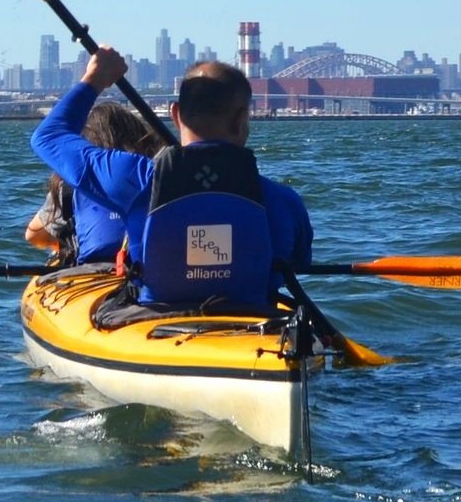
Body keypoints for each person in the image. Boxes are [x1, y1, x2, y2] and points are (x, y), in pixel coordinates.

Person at [30, 48, 311, 313]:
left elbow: (48, 138)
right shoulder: (284, 201)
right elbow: (297, 264)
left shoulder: (137, 180)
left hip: (157, 320)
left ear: (176, 116)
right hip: (257, 327)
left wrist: (94, 80)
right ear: (242, 120)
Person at [23, 98, 168, 265]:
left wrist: (65, 242)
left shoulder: (72, 184)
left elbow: (33, 235)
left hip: (95, 273)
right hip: (152, 270)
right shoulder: (156, 173)